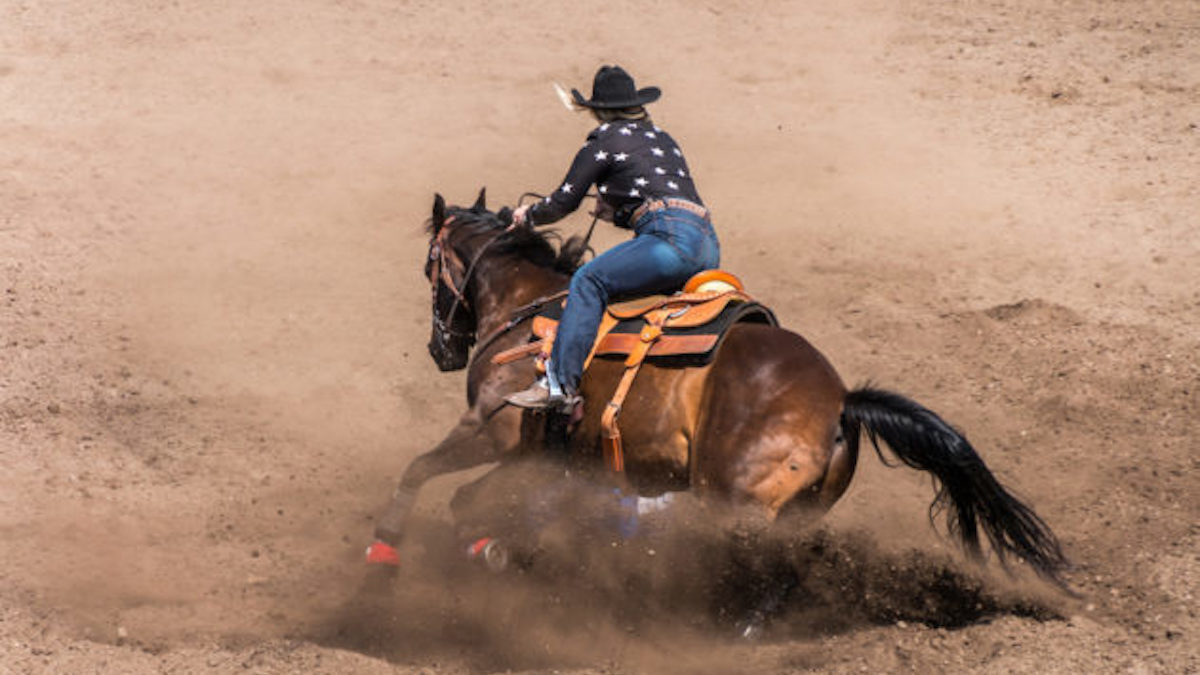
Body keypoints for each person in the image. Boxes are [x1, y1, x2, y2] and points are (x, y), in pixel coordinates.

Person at [505, 65, 721, 410]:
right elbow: (661, 196)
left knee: (589, 280)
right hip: (707, 245)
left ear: (599, 110)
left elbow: (564, 201)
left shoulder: (604, 140)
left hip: (669, 241)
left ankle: (558, 386)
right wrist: (618, 214)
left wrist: (528, 215)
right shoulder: (663, 139)